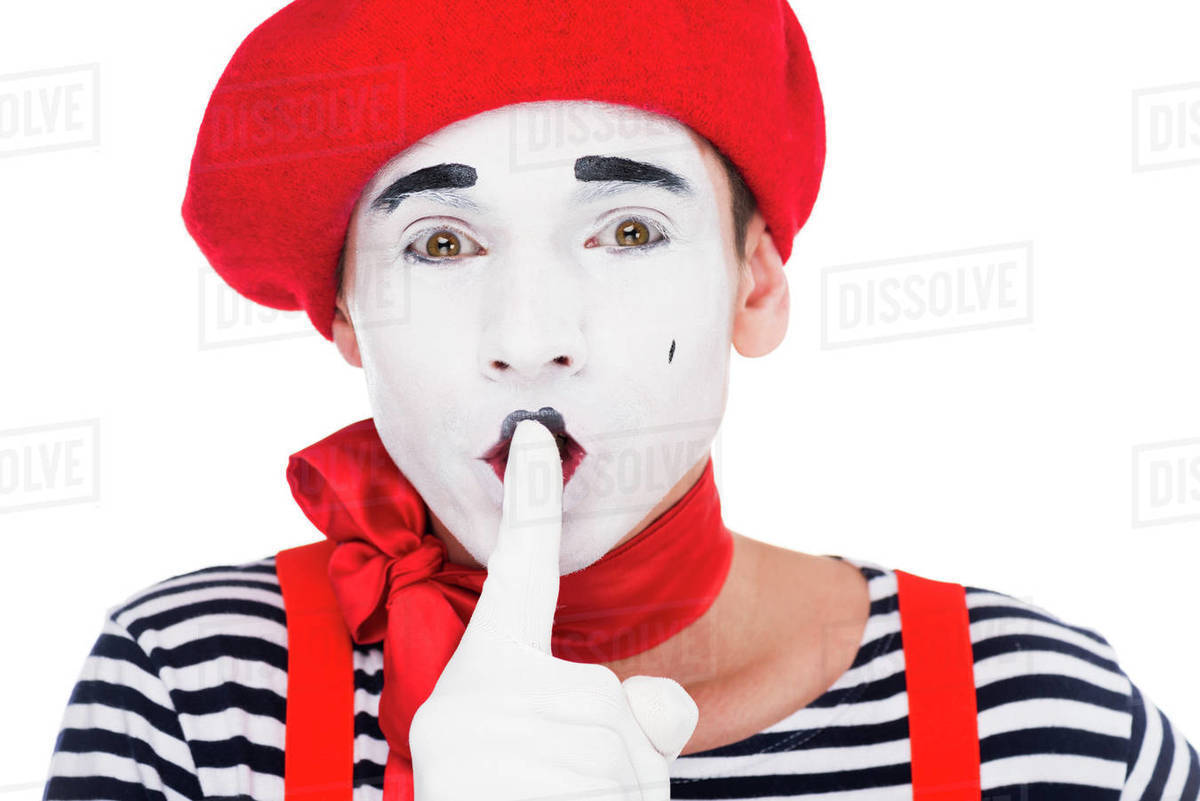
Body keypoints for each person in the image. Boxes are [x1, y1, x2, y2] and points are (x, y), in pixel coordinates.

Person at [41, 1, 1198, 800]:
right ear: (344, 318)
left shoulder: (1040, 721)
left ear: (755, 283)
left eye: (630, 230)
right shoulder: (191, 694)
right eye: (440, 243)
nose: (532, 340)